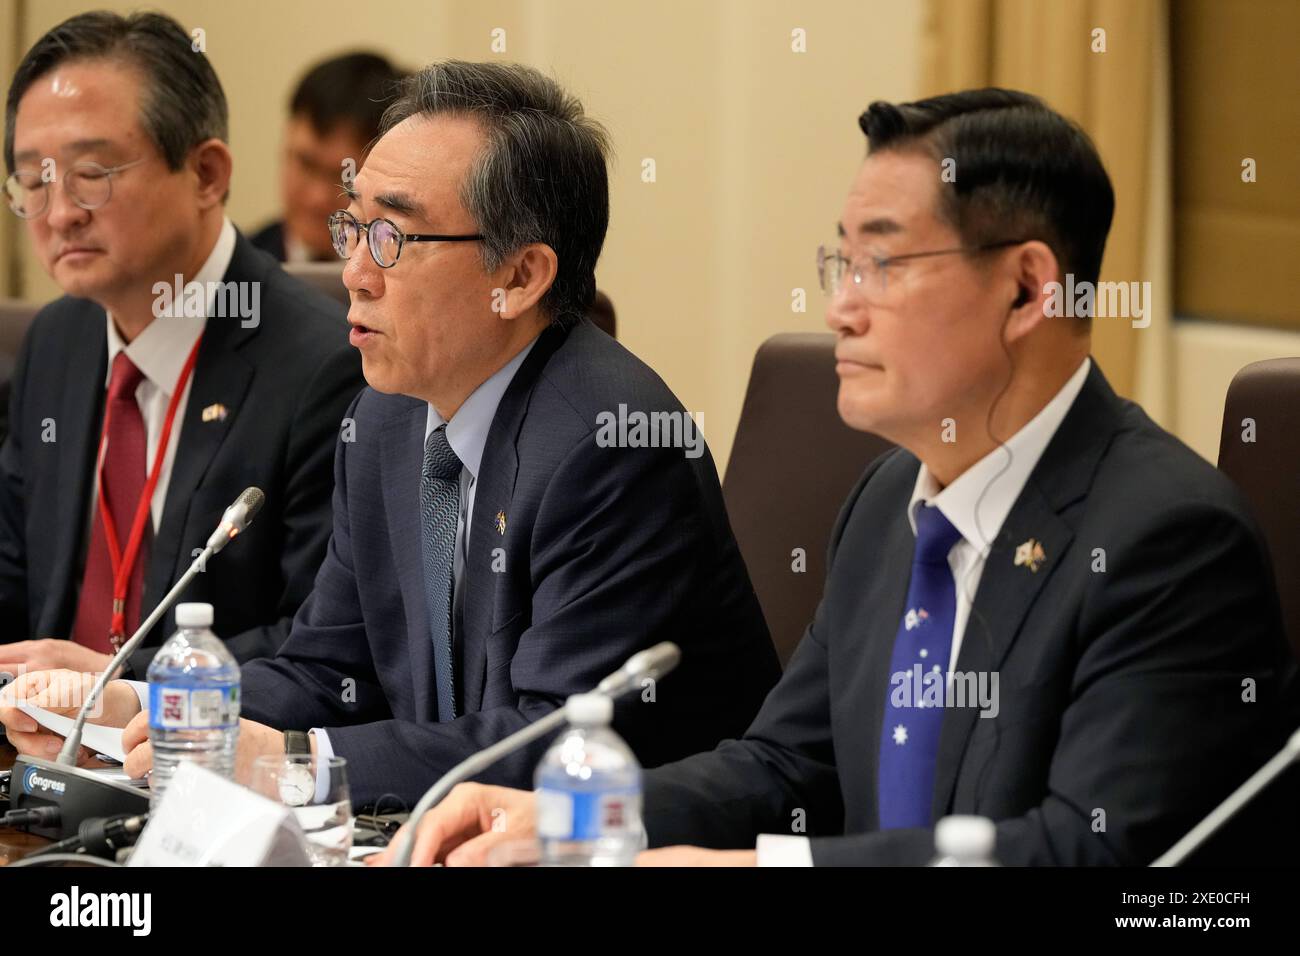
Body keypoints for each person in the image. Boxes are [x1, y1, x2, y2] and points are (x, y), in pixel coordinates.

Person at [374, 88, 1294, 866]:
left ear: (1027, 289)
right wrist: (578, 821)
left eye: (881, 265)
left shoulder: (1166, 539)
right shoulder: (890, 501)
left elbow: (1083, 852)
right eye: (840, 262)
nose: (839, 308)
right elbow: (784, 767)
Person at [2, 62, 780, 808]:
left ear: (520, 276)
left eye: (392, 239)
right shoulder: (385, 418)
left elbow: (556, 740)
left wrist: (298, 764)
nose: (354, 272)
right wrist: (134, 702)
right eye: (353, 227)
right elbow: (327, 667)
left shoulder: (612, 445)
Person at [0, 11, 362, 688]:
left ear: (206, 174)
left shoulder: (325, 368)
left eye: (90, 173)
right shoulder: (56, 342)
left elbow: (324, 647)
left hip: (202, 768)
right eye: (35, 180)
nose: (58, 214)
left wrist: (124, 684)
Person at [249, 52, 406, 263]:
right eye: (306, 164)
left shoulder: (415, 278)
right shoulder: (229, 276)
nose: (318, 198)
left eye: (346, 175)